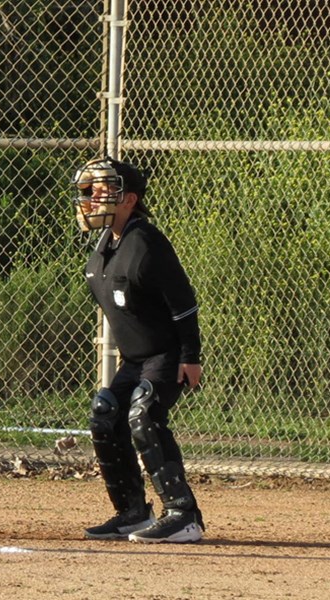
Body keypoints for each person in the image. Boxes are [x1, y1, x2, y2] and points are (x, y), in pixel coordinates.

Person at [71, 156, 206, 544]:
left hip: (166, 354)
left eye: (100, 192)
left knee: (144, 414)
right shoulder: (103, 247)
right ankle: (131, 512)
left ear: (128, 199)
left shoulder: (146, 243)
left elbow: (184, 304)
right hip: (135, 359)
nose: (90, 199)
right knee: (105, 415)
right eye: (87, 192)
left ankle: (183, 514)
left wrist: (190, 356)